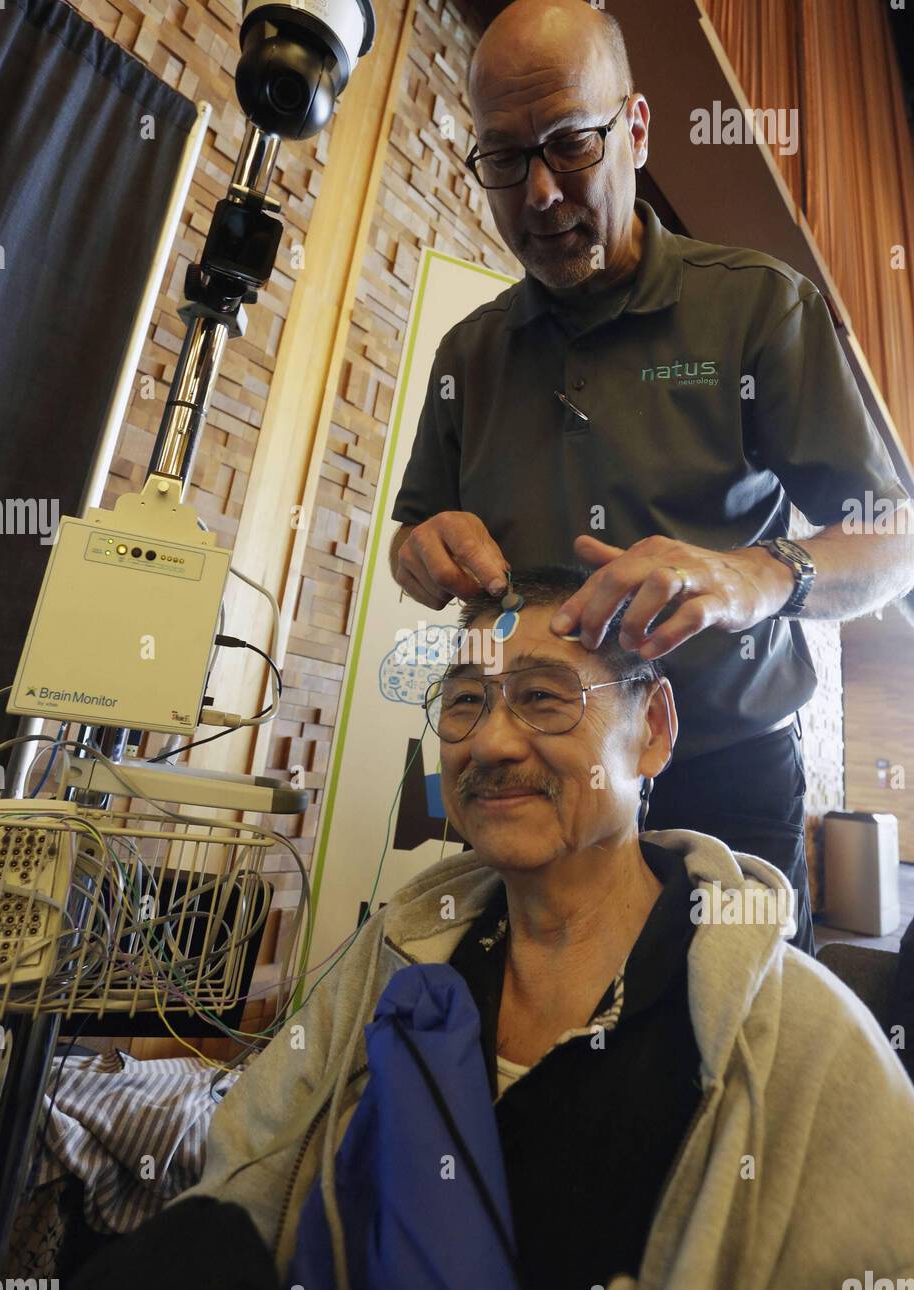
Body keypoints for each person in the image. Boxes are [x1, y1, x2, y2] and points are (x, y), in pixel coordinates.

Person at [72, 569, 914, 1290]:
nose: (489, 741)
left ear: (651, 730)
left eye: (543, 698)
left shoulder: (794, 1037)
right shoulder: (398, 959)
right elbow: (256, 1165)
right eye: (464, 702)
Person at [388, 0, 914, 956]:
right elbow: (410, 537)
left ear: (634, 129)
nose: (540, 194)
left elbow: (893, 536)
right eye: (504, 160)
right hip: (537, 780)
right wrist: (418, 553)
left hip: (727, 781)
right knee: (541, 1067)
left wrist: (754, 576)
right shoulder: (471, 352)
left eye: (569, 146)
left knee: (733, 1071)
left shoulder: (756, 306)